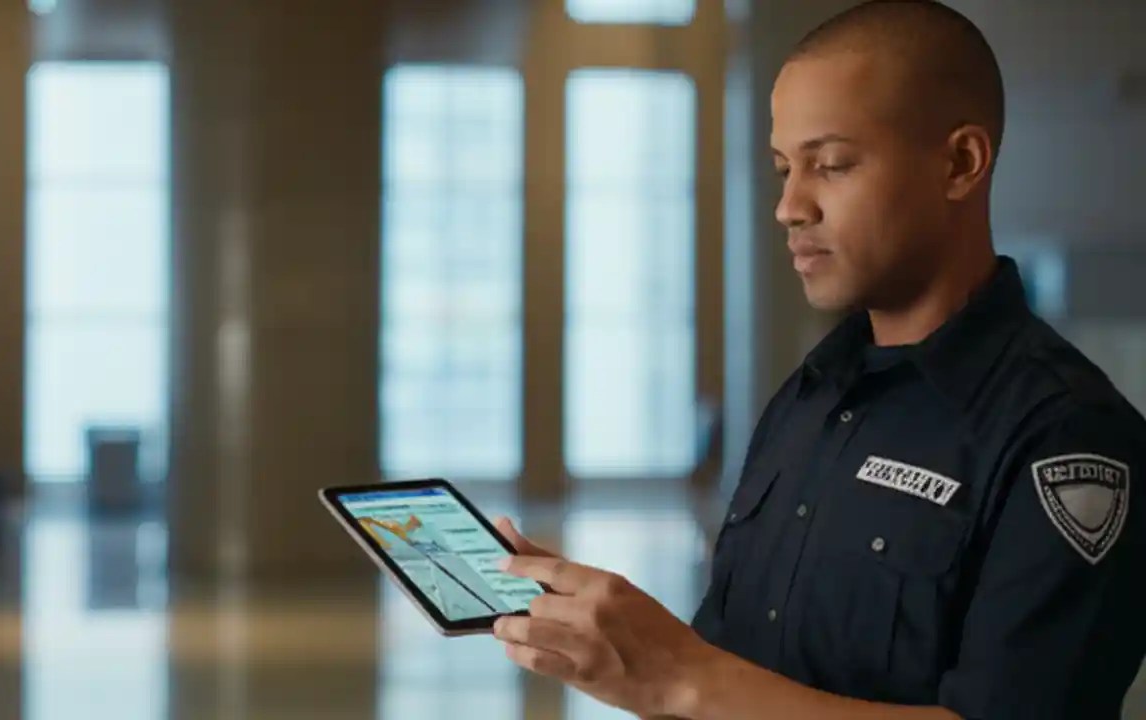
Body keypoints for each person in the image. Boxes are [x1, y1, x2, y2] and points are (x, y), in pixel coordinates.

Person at [489, 1, 1146, 718]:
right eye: (782, 169)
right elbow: (738, 683)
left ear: (960, 163)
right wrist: (628, 652)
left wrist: (684, 678)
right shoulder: (811, 400)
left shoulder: (1068, 437)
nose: (790, 206)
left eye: (831, 165)